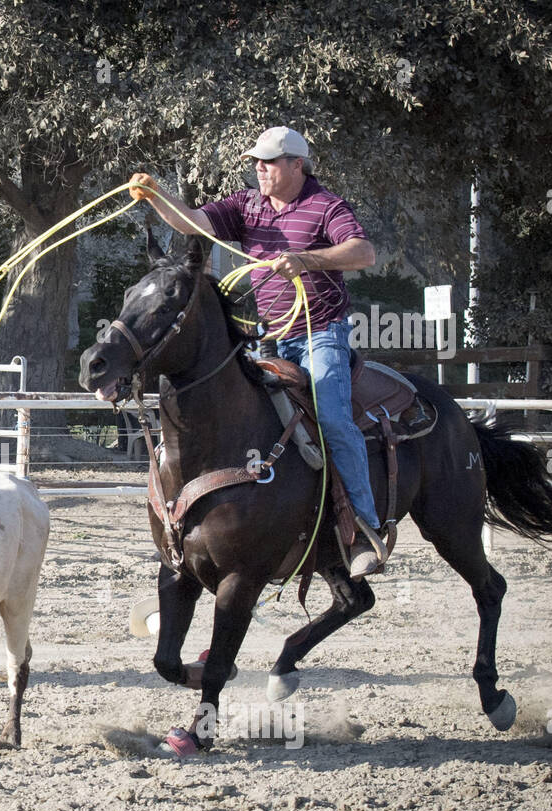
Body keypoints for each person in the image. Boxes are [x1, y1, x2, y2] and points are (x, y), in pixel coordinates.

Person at [128, 127, 386, 579]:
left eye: (268, 162)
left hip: (318, 334)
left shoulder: (326, 207)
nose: (259, 169)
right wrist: (156, 195)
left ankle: (361, 529)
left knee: (330, 417)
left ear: (296, 165)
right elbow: (192, 222)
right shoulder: (246, 205)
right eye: (257, 162)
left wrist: (309, 260)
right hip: (265, 336)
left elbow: (364, 252)